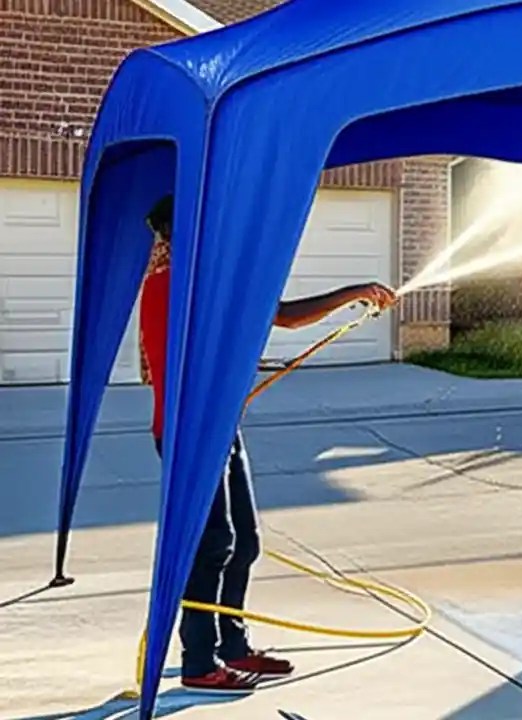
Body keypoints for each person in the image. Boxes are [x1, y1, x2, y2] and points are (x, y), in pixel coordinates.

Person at [140, 195, 395, 693]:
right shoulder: (175, 284)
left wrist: (353, 294)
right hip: (190, 434)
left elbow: (252, 327)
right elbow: (278, 317)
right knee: (211, 545)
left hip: (219, 427)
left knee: (244, 541)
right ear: (181, 234)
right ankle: (198, 662)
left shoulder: (197, 281)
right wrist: (355, 292)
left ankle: (232, 646)